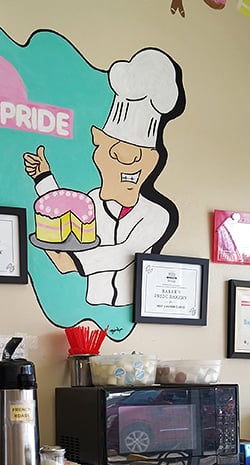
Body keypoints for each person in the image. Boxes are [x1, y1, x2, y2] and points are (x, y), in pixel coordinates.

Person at [23, 47, 185, 307]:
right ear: (100, 154)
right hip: (91, 304)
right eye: (116, 154)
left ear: (152, 161)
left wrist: (73, 262)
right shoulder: (93, 202)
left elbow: (123, 254)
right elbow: (66, 210)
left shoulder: (157, 216)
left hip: (128, 308)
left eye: (138, 156)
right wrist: (43, 178)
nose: (129, 163)